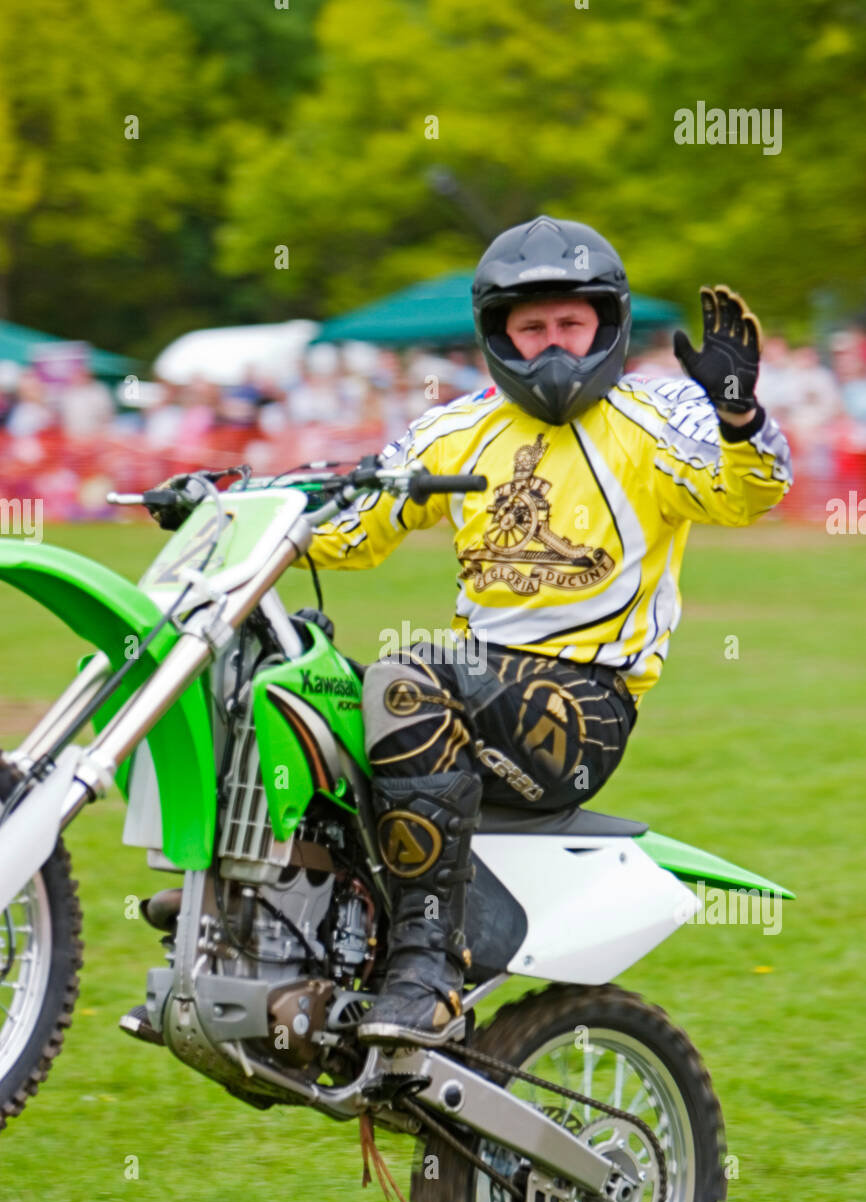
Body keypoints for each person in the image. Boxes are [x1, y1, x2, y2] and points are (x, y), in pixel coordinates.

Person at [295, 215, 793, 1047]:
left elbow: (748, 494)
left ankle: (428, 968)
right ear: (498, 335)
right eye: (532, 329)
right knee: (299, 686)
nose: (553, 347)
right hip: (468, 679)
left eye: (572, 324)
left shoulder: (657, 418)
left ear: (608, 324)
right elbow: (354, 524)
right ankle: (275, 913)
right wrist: (245, 511)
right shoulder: (455, 431)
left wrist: (738, 414)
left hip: (584, 703)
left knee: (408, 675)